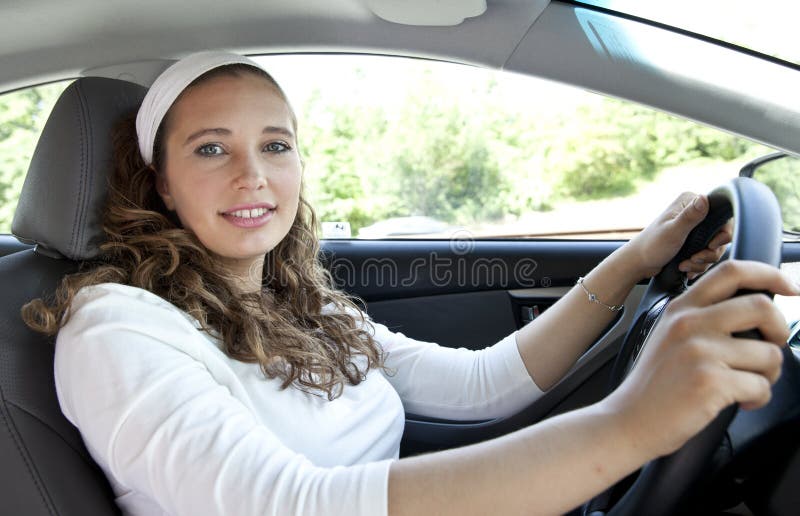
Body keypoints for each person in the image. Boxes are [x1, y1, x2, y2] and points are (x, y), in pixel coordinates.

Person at [22, 51, 795, 516]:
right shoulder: (116, 326)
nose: (254, 174)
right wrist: (630, 425)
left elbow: (484, 384)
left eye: (276, 144)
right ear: (161, 183)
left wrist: (635, 260)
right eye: (212, 150)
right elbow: (289, 507)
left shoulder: (302, 302)